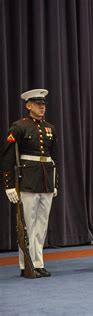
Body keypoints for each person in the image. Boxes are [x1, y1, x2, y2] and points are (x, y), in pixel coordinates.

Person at [1, 89, 58, 278]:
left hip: (45, 181)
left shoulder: (50, 128)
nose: (41, 107)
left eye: (43, 104)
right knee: (27, 224)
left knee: (42, 224)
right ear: (28, 105)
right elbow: (8, 157)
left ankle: (38, 262)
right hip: (27, 180)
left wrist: (54, 182)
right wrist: (9, 184)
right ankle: (26, 264)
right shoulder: (19, 127)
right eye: (37, 104)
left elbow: (54, 158)